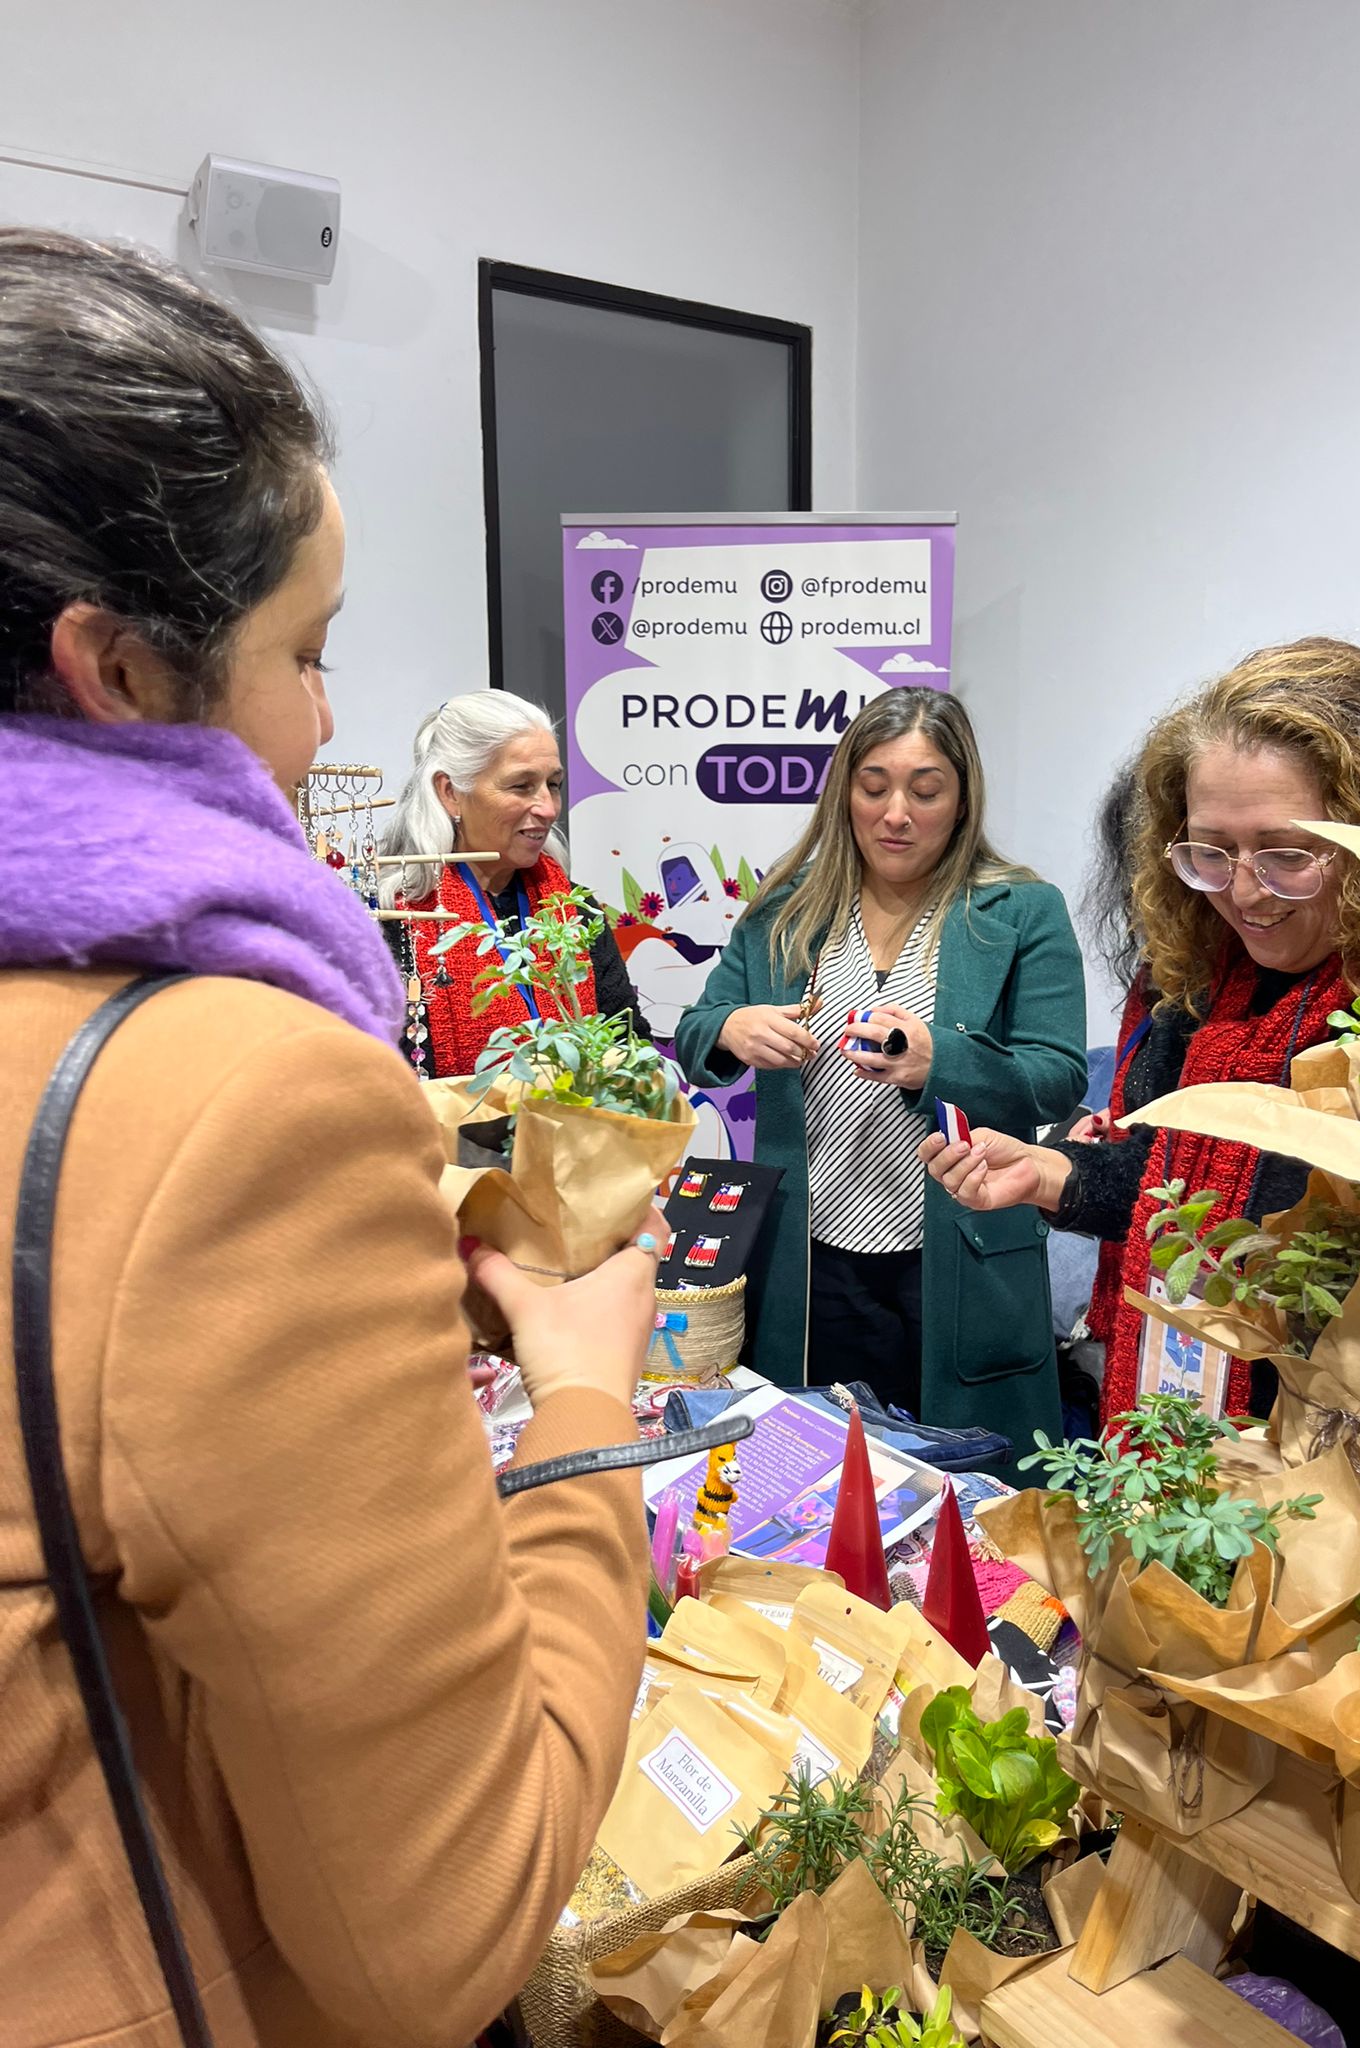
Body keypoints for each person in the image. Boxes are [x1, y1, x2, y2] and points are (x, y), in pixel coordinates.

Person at [0, 230, 662, 2048]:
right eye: (306, 653)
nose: (321, 723)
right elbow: (429, 1940)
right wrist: (587, 1388)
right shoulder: (235, 1089)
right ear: (118, 671)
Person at [923, 637, 1360, 1425]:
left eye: (1289, 854)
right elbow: (1166, 1186)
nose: (1245, 892)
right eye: (1211, 852)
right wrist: (1054, 1176)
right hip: (1181, 1417)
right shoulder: (1193, 986)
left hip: (1357, 1432)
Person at [675, 687, 1086, 1449]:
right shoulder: (785, 910)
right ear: (844, 794)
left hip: (957, 1255)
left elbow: (1058, 1076)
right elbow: (698, 1031)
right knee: (814, 1480)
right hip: (810, 1255)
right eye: (873, 788)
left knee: (968, 1488)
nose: (896, 813)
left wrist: (942, 1060)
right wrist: (735, 1026)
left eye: (925, 791)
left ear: (962, 802)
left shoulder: (1022, 911)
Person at [379, 689, 650, 1076]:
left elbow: (628, 1045)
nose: (549, 808)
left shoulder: (573, 911)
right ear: (451, 793)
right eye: (521, 786)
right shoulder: (392, 919)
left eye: (553, 784)